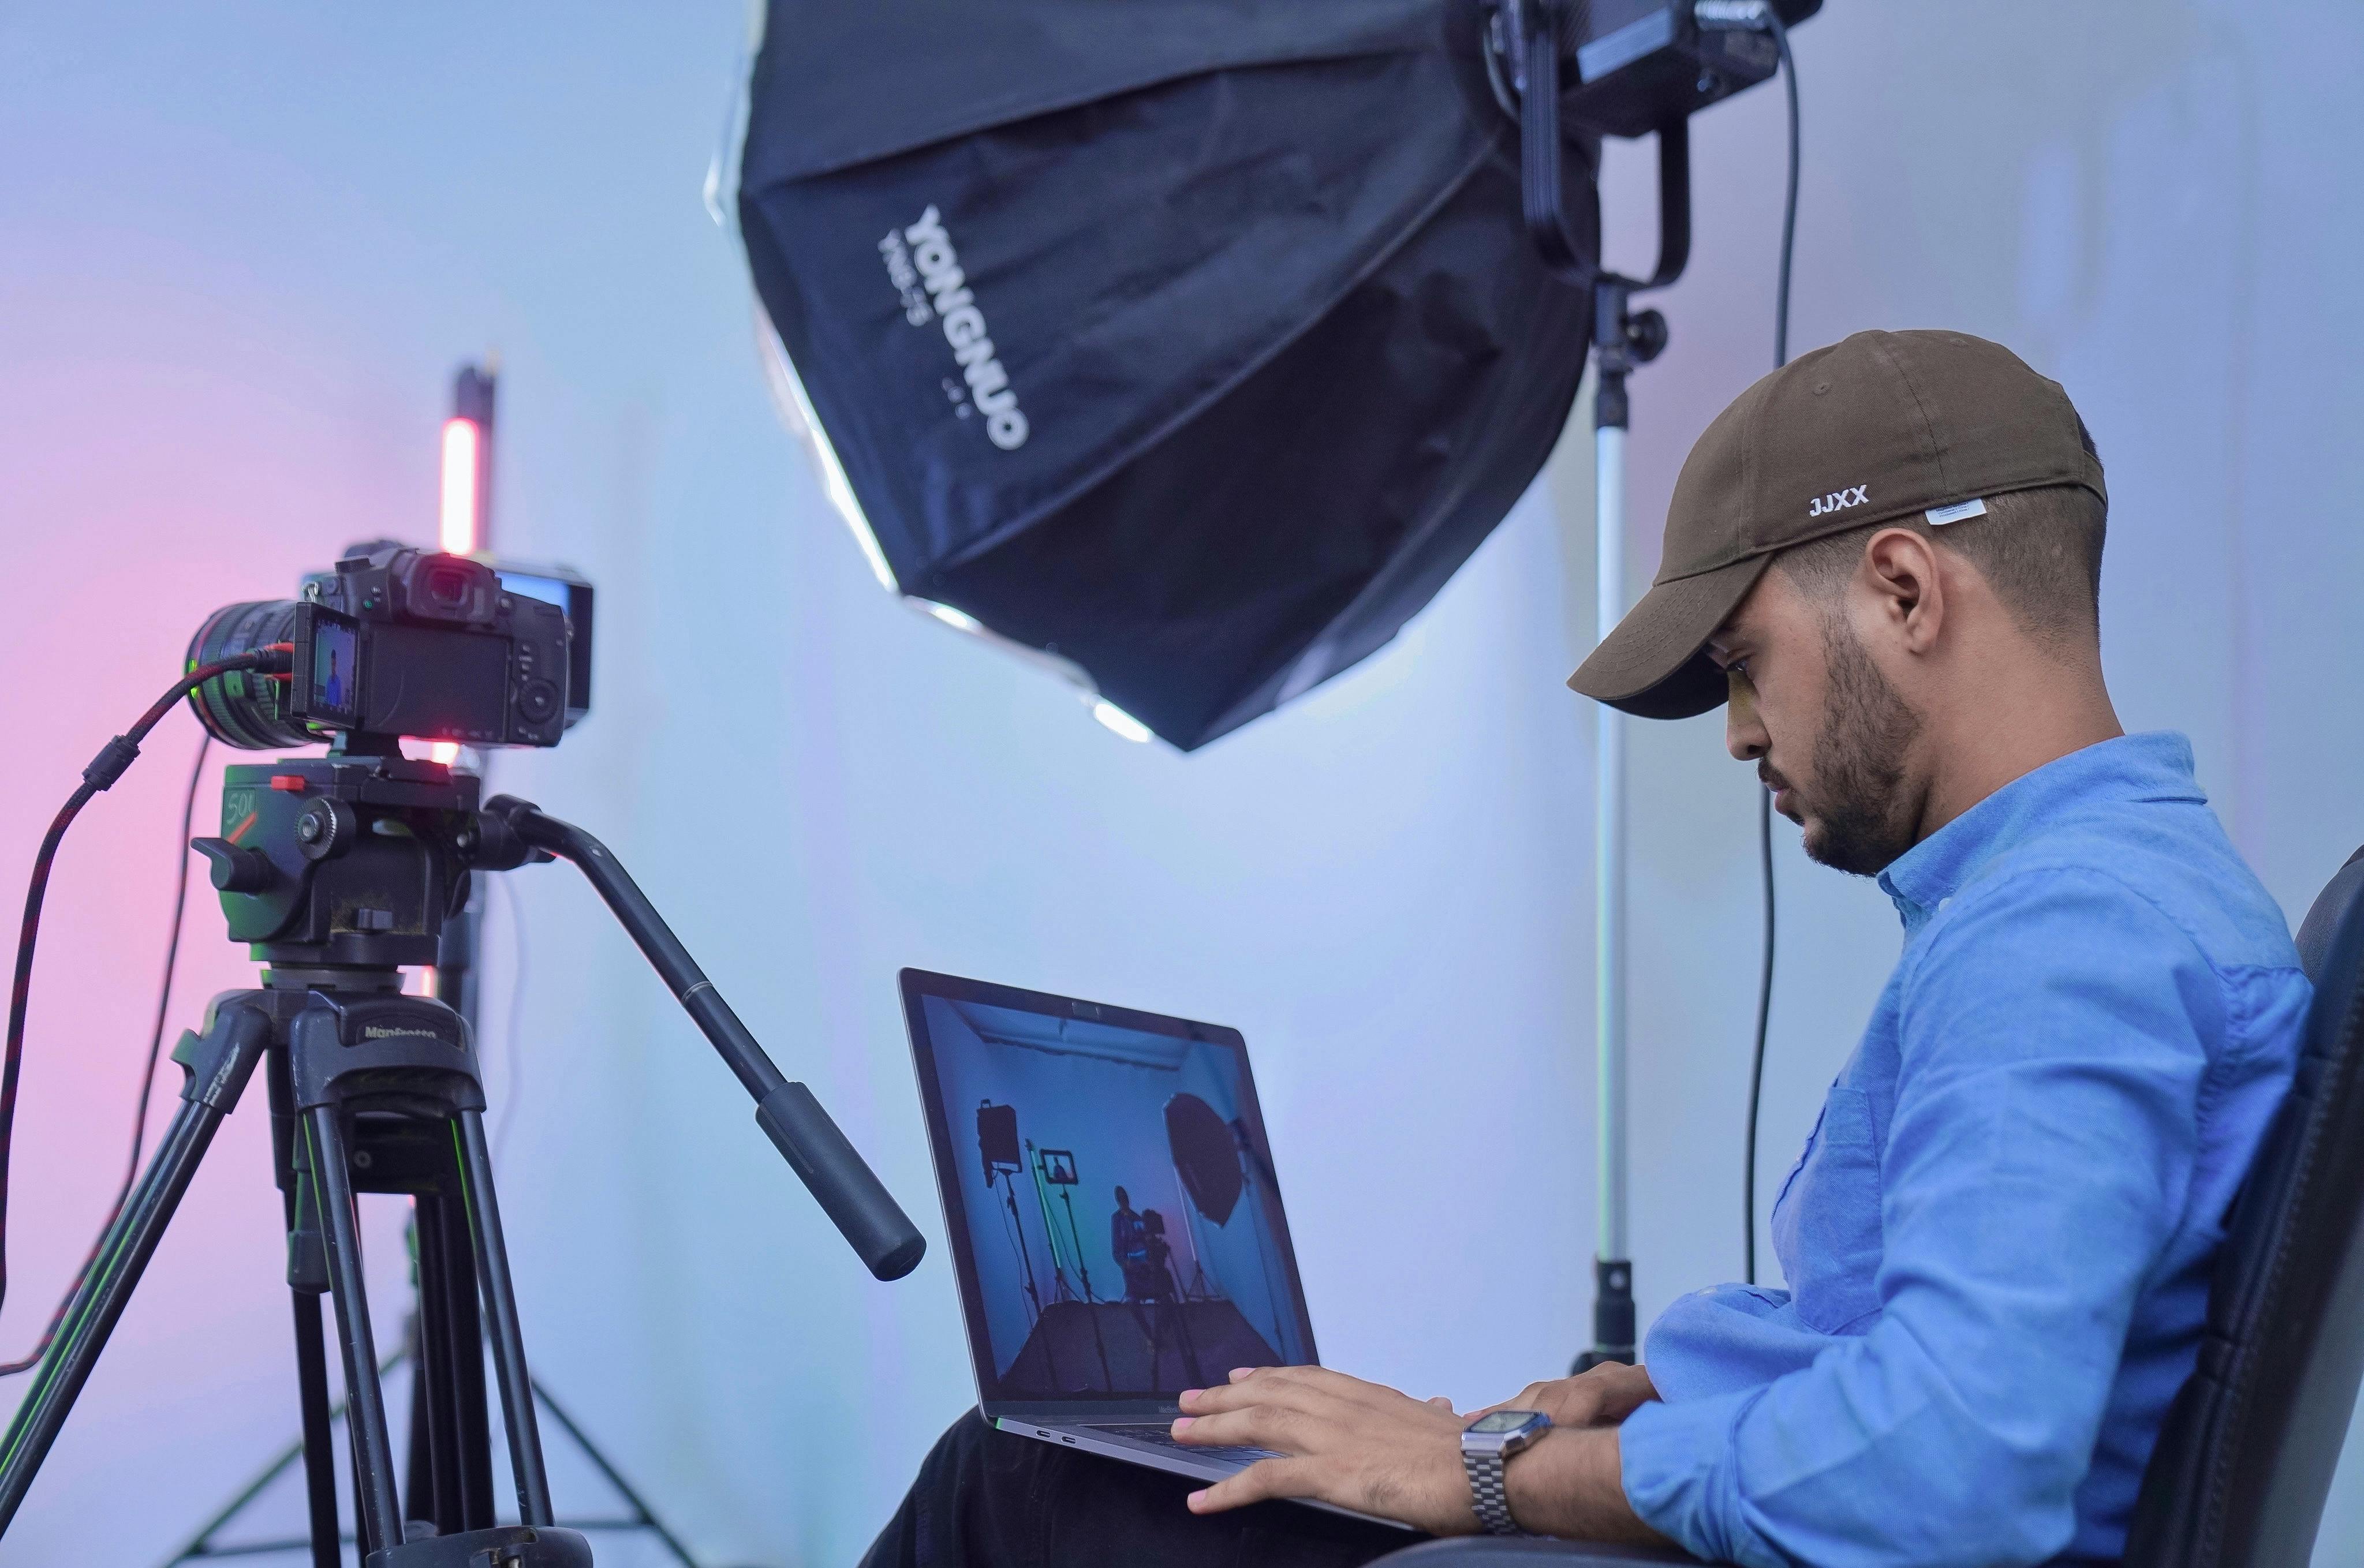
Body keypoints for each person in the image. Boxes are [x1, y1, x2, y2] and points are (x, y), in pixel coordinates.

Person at [860, 331, 2309, 1568]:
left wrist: (1483, 1475)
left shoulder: (2061, 937)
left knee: (1026, 1486)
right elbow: (1947, 1368)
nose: (1740, 732)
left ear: (1905, 592)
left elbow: (1953, 1467)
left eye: (1742, 663)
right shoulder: (2115, 895)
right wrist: (1659, 1397)